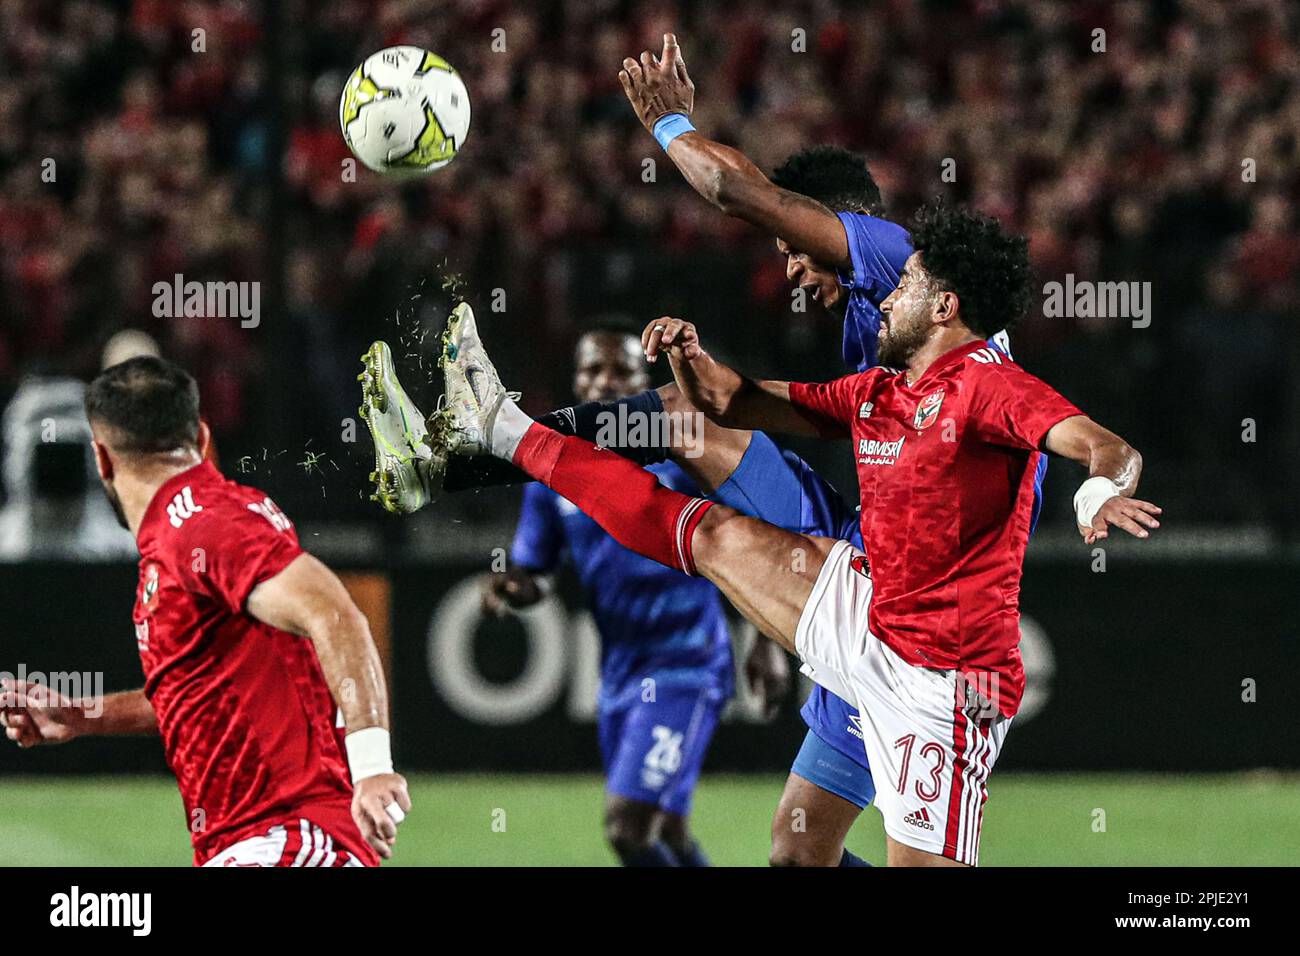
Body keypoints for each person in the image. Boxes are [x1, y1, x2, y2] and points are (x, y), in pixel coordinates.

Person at [425, 202, 1162, 866]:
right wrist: (690, 356)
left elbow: (1108, 447)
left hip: (944, 685)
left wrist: (1099, 487)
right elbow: (725, 400)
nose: (888, 296)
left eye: (904, 284)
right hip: (869, 611)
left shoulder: (987, 387)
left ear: (944, 306)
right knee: (795, 839)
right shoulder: (879, 392)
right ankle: (502, 427)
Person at [0, 356, 410, 867]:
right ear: (200, 434)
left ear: (101, 459)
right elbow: (201, 692)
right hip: (265, 843)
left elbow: (336, 615)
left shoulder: (205, 524)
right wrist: (83, 715)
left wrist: (372, 766)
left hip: (288, 838)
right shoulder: (191, 529)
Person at [481, 323, 736, 867]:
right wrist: (513, 588)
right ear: (575, 381)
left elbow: (754, 538)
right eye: (593, 369)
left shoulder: (687, 454)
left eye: (622, 370)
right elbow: (538, 573)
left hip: (687, 663)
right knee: (668, 834)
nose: (606, 381)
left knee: (626, 829)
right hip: (620, 672)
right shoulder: (551, 472)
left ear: (647, 383)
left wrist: (765, 641)